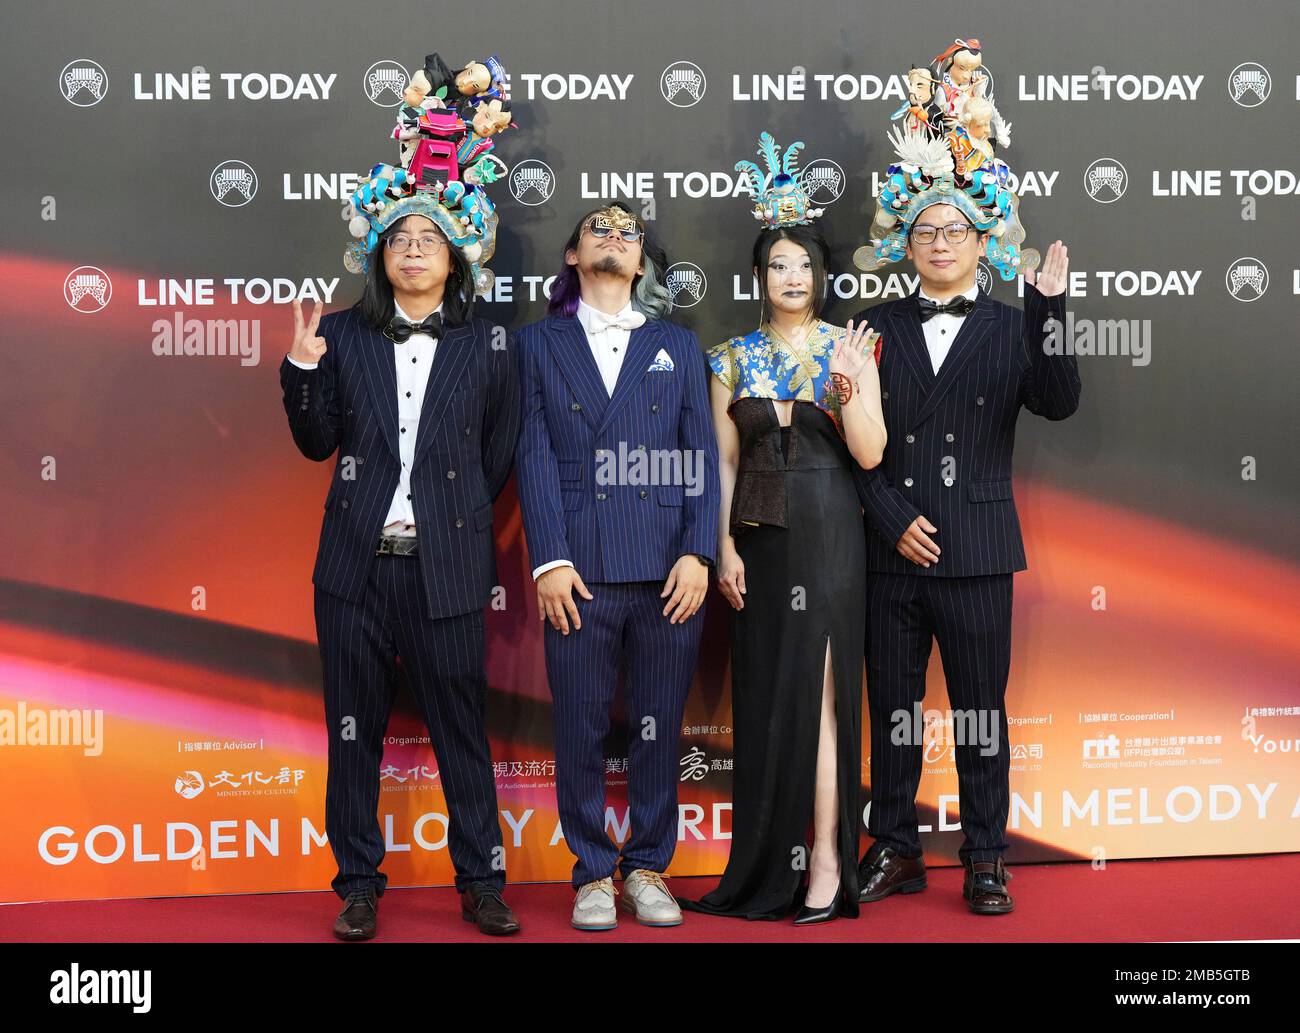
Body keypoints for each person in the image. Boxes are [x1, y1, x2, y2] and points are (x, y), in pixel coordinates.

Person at [279, 62, 522, 938]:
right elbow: (317, 443)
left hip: (447, 569)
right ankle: (357, 884)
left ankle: (482, 880)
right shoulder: (339, 335)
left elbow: (498, 454)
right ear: (379, 255)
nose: (411, 249)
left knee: (462, 730)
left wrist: (451, 518)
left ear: (453, 252)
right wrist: (303, 372)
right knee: (355, 735)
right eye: (397, 240)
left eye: (427, 238)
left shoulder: (492, 342)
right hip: (352, 573)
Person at [851, 42, 1081, 915]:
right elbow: (849, 441)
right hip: (893, 550)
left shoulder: (1014, 323)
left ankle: (987, 856)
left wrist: (1051, 310)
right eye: (926, 230)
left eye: (956, 231)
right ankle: (897, 848)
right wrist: (886, 514)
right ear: (907, 241)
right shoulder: (870, 324)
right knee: (893, 714)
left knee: (982, 714)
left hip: (981, 550)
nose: (940, 242)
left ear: (982, 241)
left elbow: (1058, 403)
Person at [677, 133, 886, 924]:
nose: (792, 278)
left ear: (820, 275)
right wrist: (722, 545)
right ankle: (768, 863)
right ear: (758, 276)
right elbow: (721, 465)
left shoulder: (852, 345)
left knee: (830, 699)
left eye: (804, 265)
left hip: (834, 533)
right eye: (778, 265)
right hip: (759, 539)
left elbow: (871, 452)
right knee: (768, 700)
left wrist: (853, 390)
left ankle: (830, 863)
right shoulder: (729, 355)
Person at [514, 202, 720, 931]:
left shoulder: (677, 345)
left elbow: (701, 458)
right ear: (572, 255)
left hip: (667, 567)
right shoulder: (536, 345)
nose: (613, 238)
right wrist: (549, 561)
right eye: (596, 229)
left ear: (642, 262)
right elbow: (532, 455)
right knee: (579, 724)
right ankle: (594, 870)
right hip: (578, 568)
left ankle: (649, 865)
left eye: (627, 232)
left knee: (659, 724)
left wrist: (701, 551)